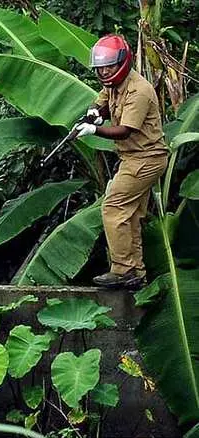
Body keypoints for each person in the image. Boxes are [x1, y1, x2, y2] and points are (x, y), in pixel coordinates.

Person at [73, 34, 168, 289]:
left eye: (109, 66)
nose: (104, 71)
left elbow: (125, 130)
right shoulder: (114, 83)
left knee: (113, 207)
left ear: (123, 62)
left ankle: (123, 269)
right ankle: (136, 272)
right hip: (134, 158)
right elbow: (103, 99)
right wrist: (95, 111)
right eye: (100, 67)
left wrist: (94, 130)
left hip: (145, 158)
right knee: (132, 214)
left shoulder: (139, 90)